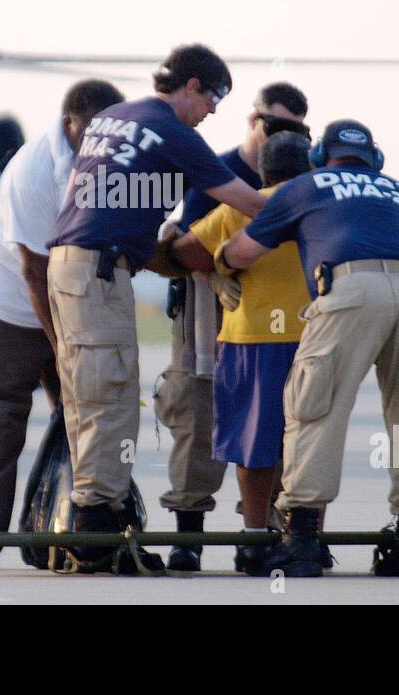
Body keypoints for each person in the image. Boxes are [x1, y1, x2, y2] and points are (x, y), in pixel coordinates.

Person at [46, 44, 266, 572]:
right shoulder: (172, 131)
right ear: (191, 85)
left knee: (86, 395)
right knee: (112, 395)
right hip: (99, 270)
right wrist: (307, 209)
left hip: (71, 265)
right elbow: (247, 200)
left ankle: (98, 509)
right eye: (213, 97)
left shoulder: (114, 117)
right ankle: (96, 528)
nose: (213, 110)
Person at [217, 119, 399, 578]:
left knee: (316, 410)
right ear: (373, 157)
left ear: (321, 154)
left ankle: (300, 540)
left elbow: (243, 249)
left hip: (351, 289)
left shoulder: (304, 185)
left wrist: (220, 265)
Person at [0, 79, 125, 570]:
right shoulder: (32, 172)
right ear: (71, 124)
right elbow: (33, 270)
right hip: (4, 311)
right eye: (96, 132)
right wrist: (64, 345)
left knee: (87, 414)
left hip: (69, 301)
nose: (105, 143)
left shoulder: (114, 160)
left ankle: (82, 531)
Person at [154, 82, 310, 571]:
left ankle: (268, 532)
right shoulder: (214, 171)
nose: (283, 135)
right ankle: (188, 538)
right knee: (197, 421)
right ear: (252, 120)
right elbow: (180, 244)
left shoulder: (303, 177)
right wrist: (218, 272)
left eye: (295, 129)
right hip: (205, 315)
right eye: (275, 124)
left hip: (272, 323)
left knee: (285, 425)